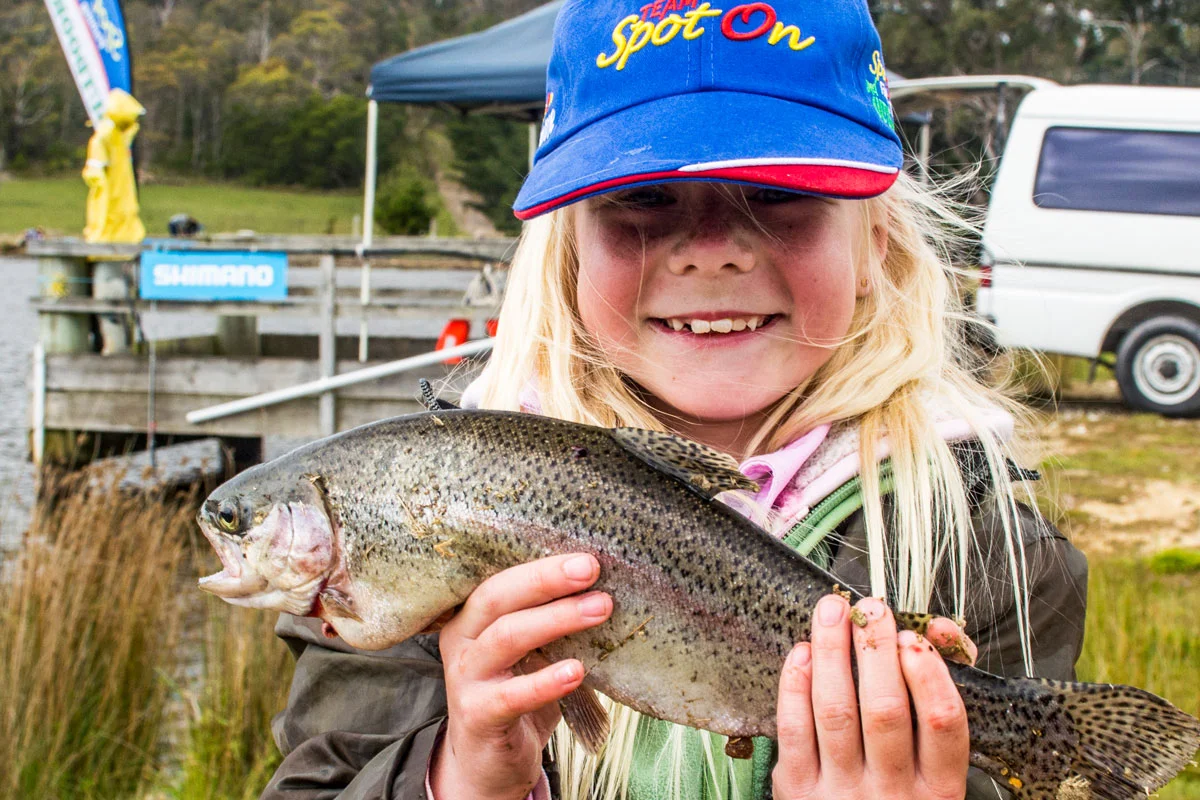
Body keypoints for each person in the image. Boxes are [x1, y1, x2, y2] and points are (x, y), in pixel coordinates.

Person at [260, 1, 1088, 799]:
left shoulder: (986, 545)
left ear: (875, 243)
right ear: (570, 251)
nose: (713, 253)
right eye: (644, 199)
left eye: (777, 191)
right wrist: (459, 781)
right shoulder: (412, 510)